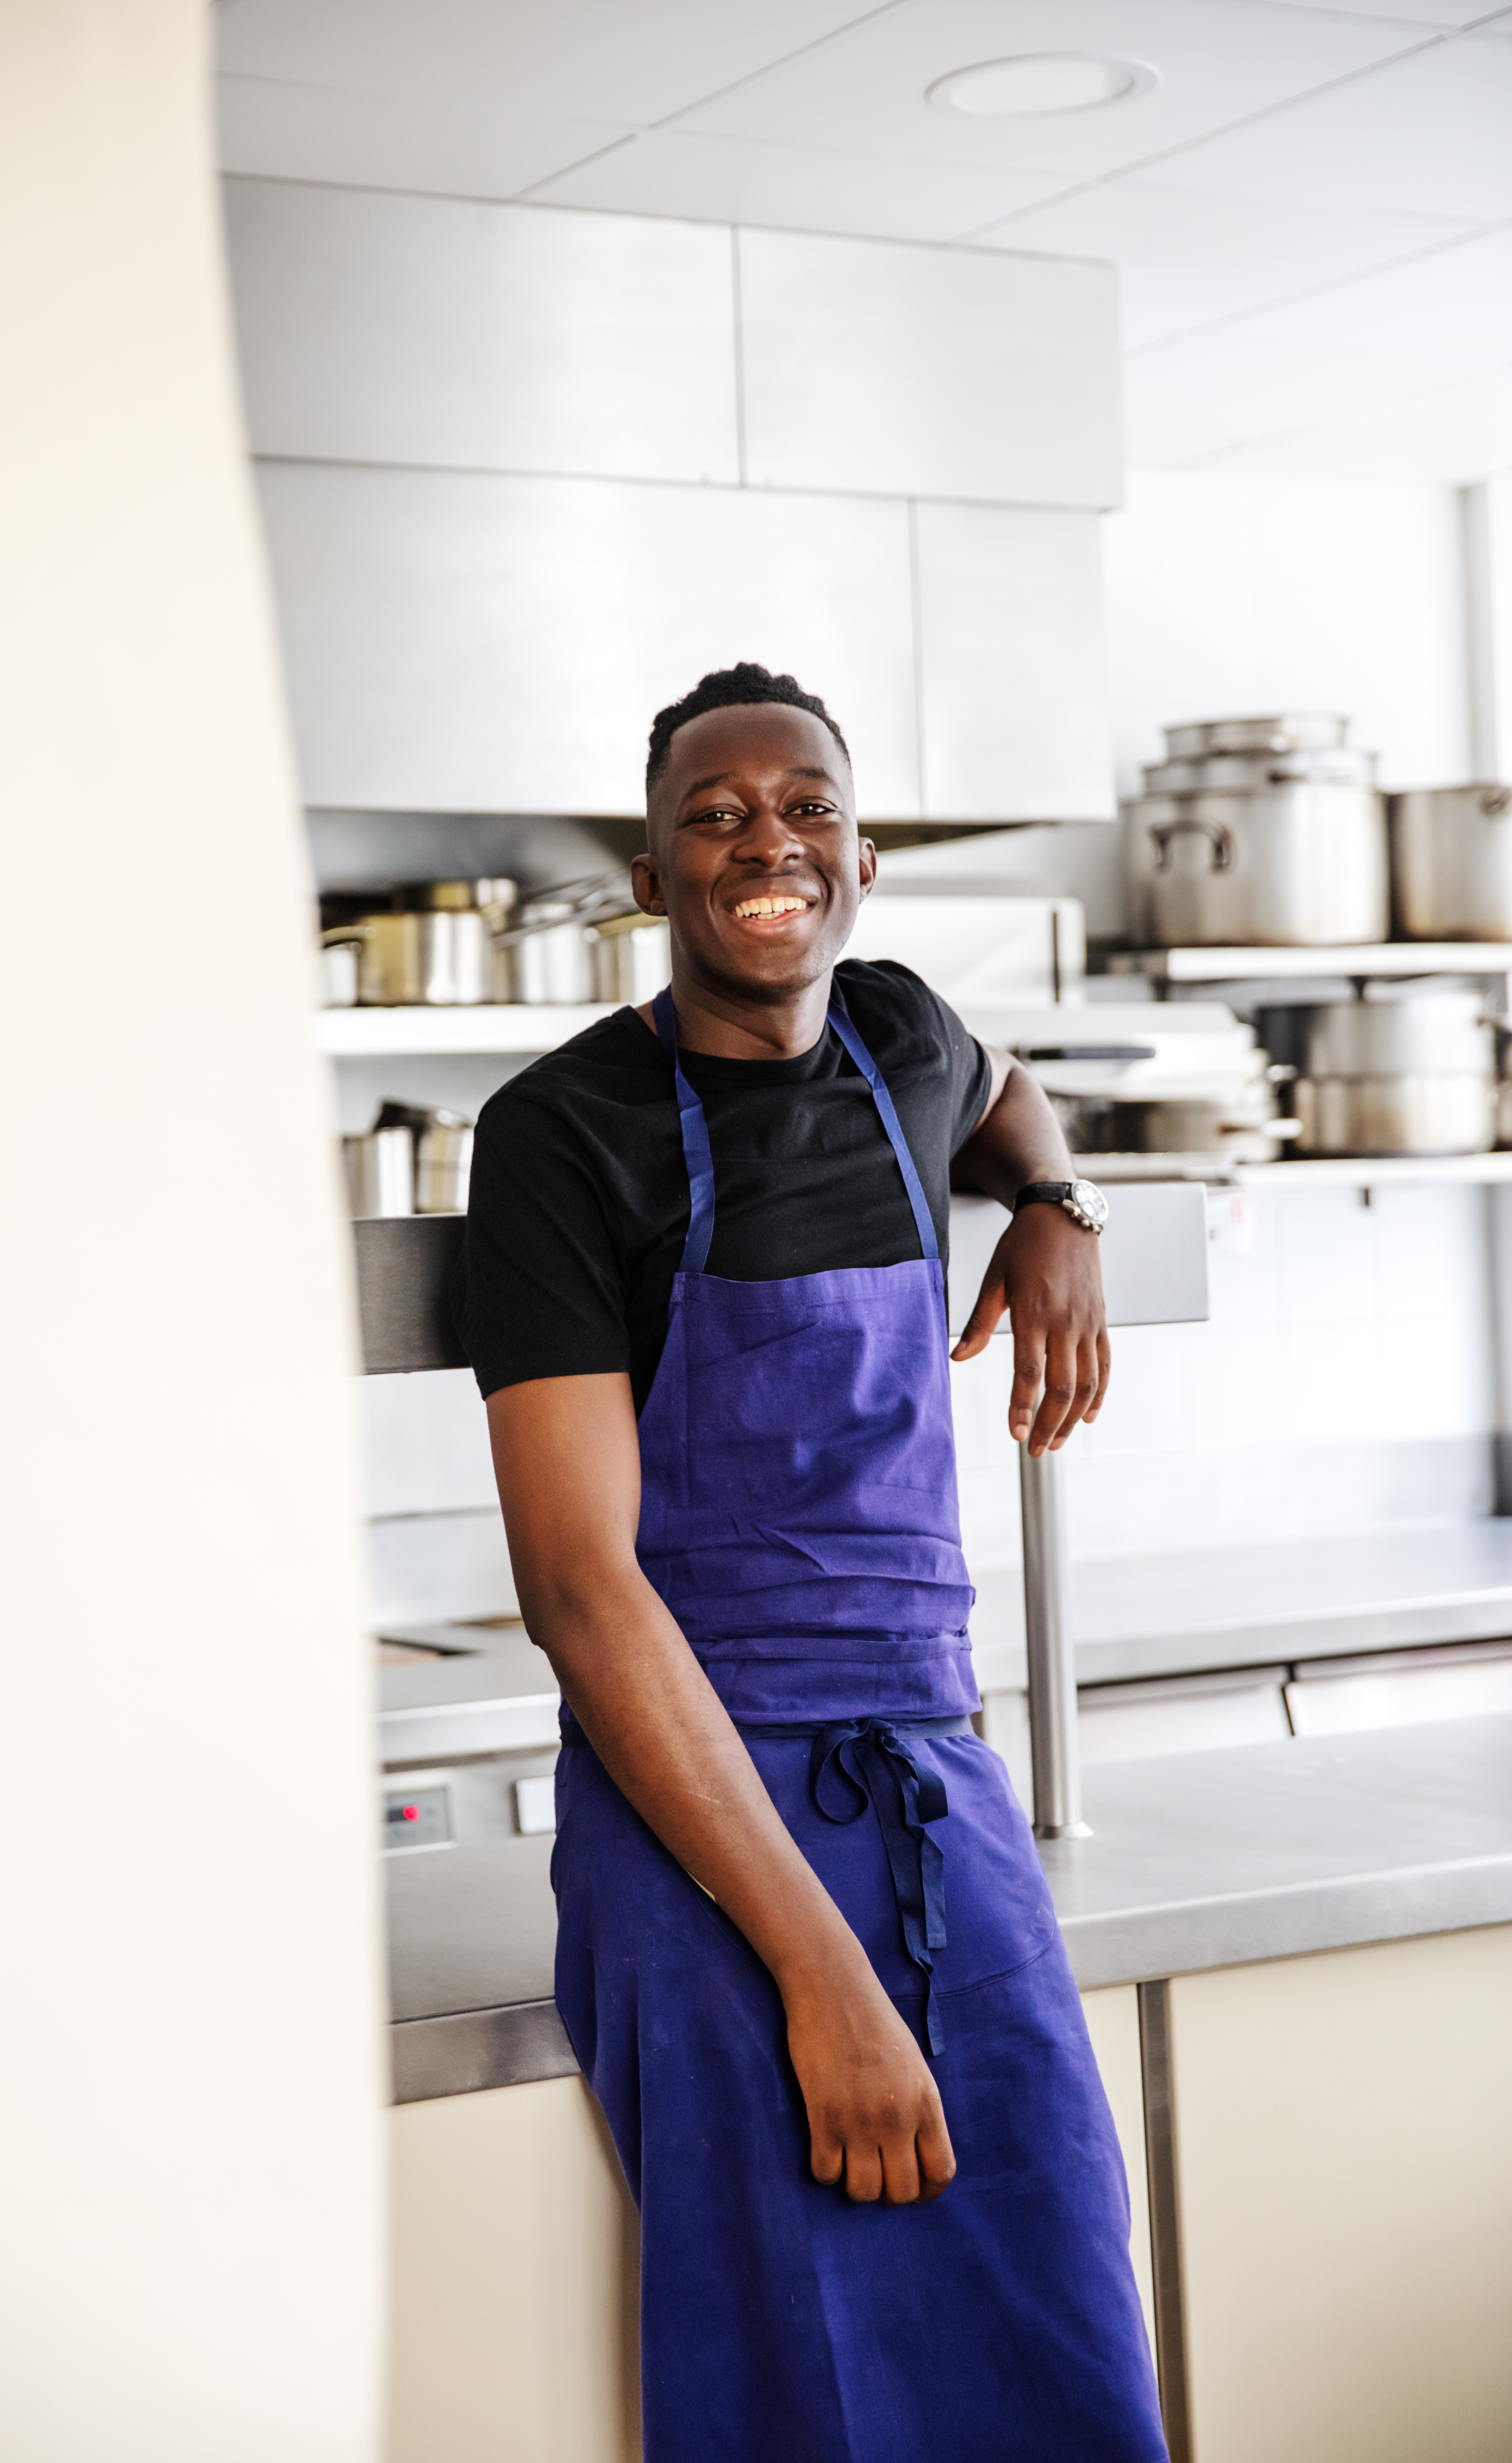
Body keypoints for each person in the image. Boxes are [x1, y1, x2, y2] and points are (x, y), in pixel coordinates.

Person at [456, 664, 1168, 2463]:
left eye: (807, 807)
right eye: (715, 813)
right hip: (692, 1805)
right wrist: (822, 1975)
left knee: (1068, 2317)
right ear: (651, 873)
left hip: (936, 1780)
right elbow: (581, 1593)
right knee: (799, 2368)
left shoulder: (906, 1035)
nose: (766, 839)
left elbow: (1008, 1090)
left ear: (859, 860)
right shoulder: (561, 1135)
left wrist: (1064, 1205)